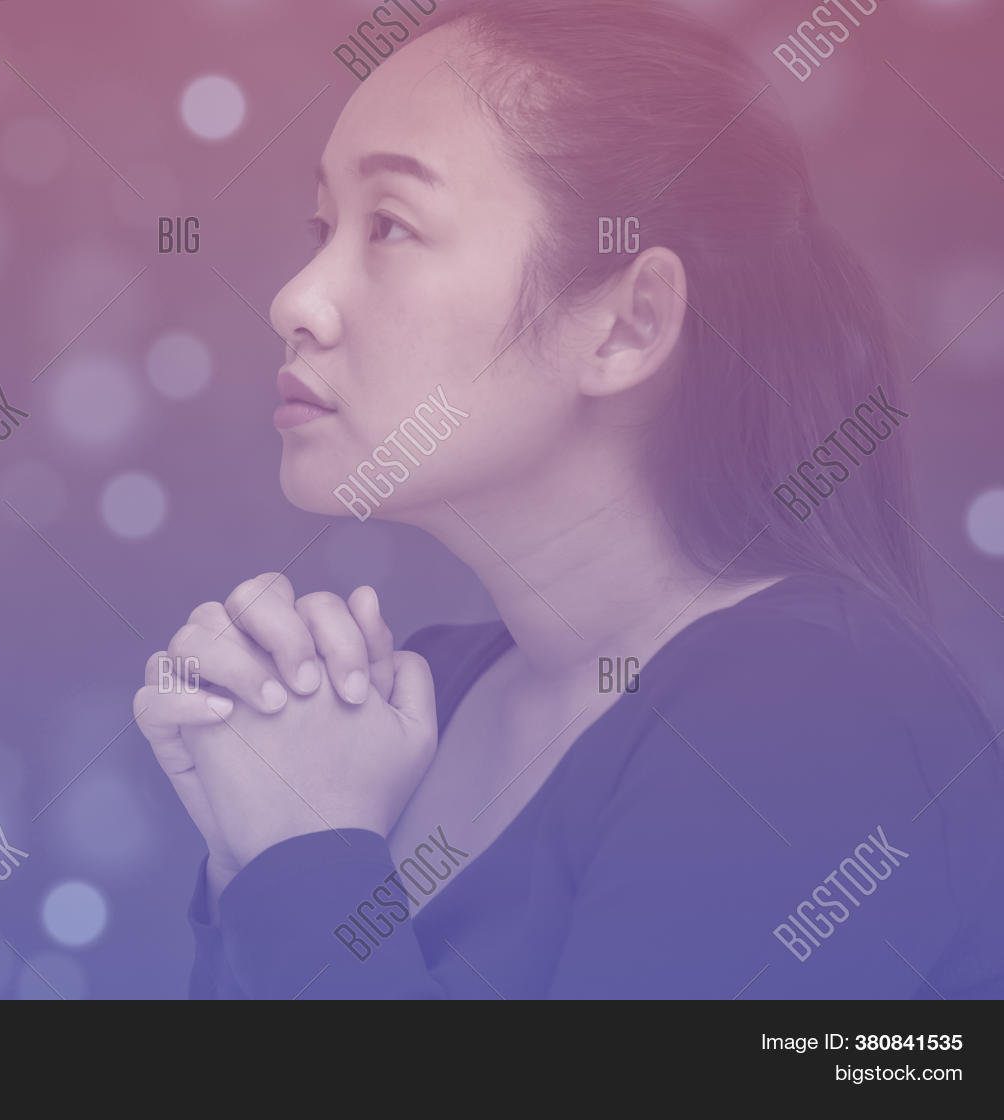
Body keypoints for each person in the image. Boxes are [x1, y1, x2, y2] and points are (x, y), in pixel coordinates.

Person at [132, 0, 1004, 998]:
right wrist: (250, 849)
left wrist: (304, 857)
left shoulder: (819, 717)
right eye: (322, 226)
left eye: (391, 226)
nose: (296, 300)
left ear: (627, 326)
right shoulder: (413, 698)